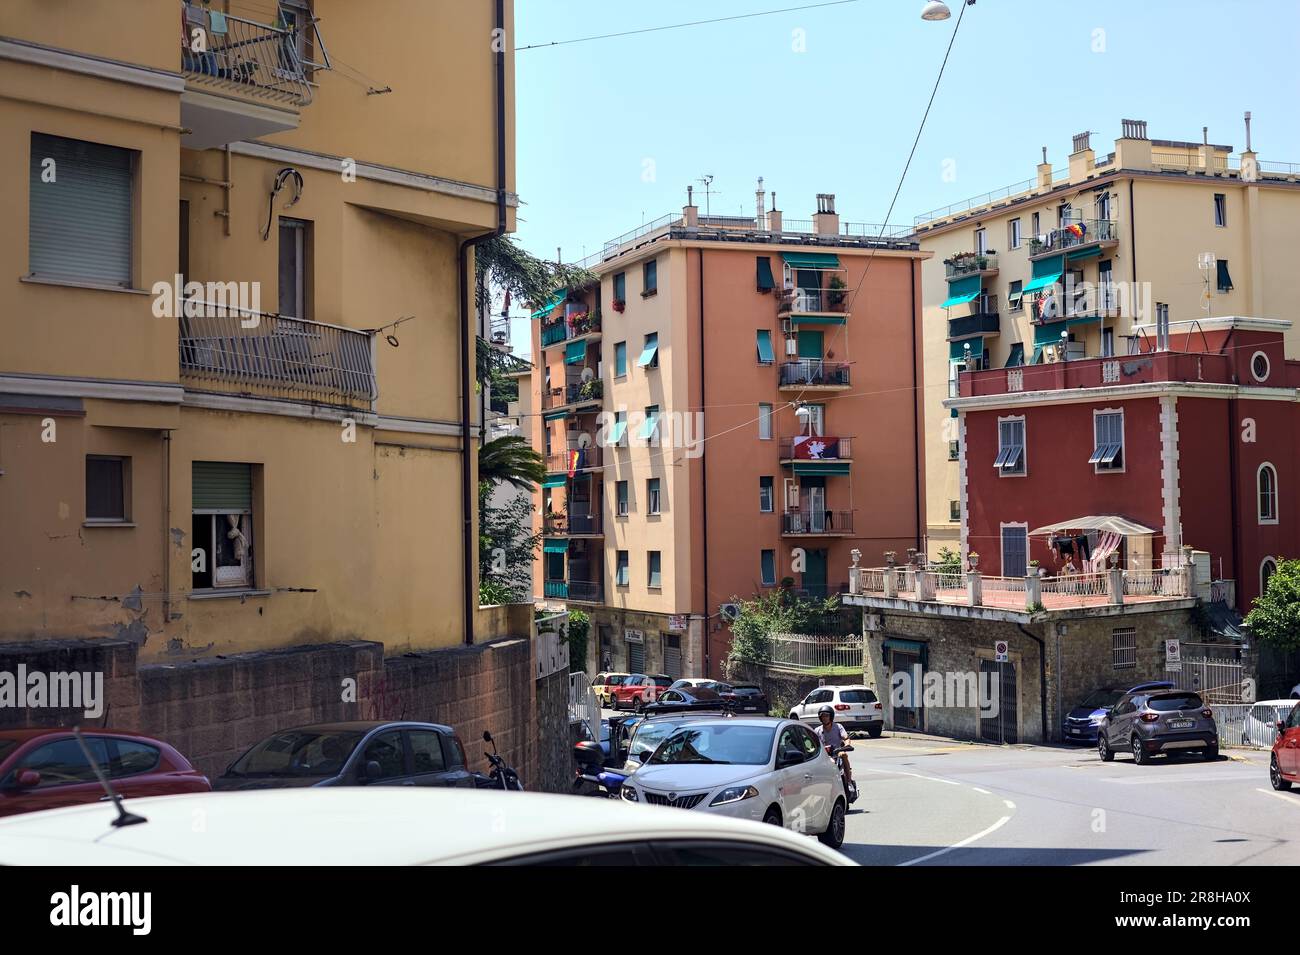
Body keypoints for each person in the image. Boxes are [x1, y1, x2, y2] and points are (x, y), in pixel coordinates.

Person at [814, 704, 852, 785]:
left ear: (831, 716)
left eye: (827, 716)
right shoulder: (817, 730)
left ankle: (849, 781)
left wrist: (846, 746)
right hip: (823, 755)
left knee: (844, 755)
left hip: (837, 752)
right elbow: (813, 744)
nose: (824, 718)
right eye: (823, 716)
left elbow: (846, 738)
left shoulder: (838, 727)